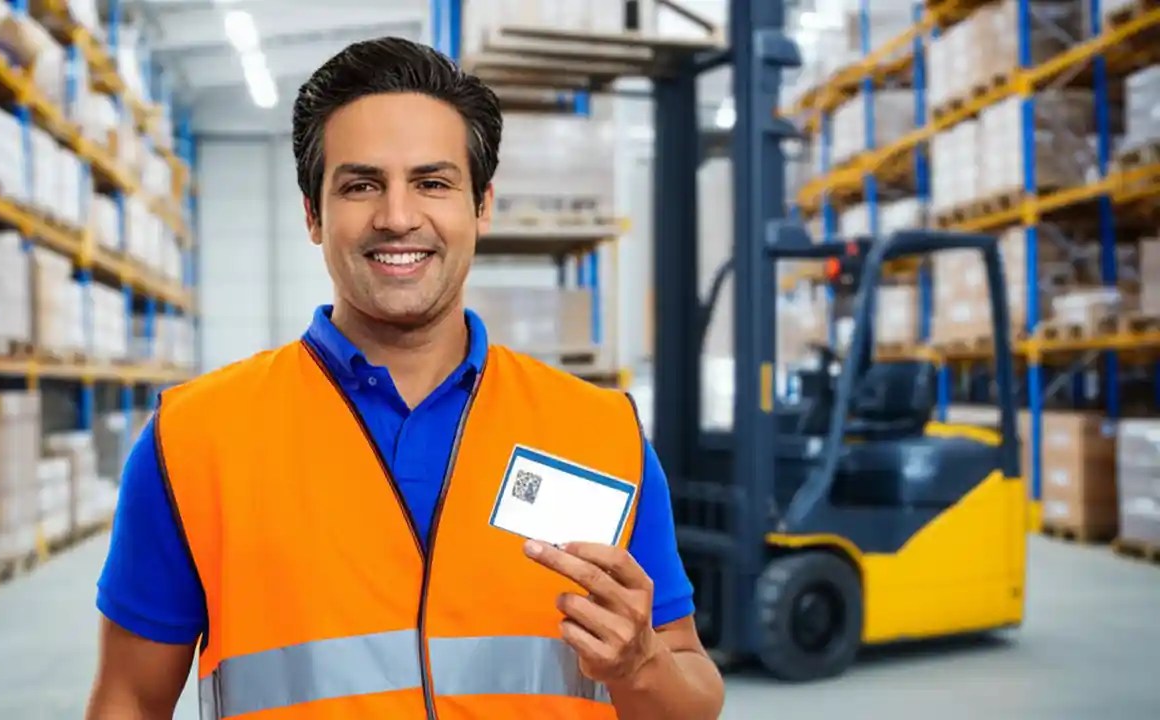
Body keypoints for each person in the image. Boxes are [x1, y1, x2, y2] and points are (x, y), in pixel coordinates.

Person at [85, 37, 725, 720]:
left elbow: (693, 697)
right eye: (361, 185)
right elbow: (129, 700)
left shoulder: (599, 435)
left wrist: (641, 666)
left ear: (481, 206)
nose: (397, 217)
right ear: (313, 214)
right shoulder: (194, 442)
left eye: (433, 183)